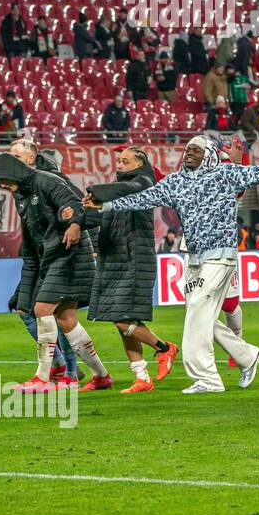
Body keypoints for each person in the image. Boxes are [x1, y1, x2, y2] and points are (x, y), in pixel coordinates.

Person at [82, 136, 259, 394]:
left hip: (221, 256)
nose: (189, 153)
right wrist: (106, 205)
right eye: (187, 149)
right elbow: (142, 199)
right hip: (194, 259)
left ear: (209, 154)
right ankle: (248, 356)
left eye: (196, 149)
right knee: (202, 316)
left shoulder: (226, 174)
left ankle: (208, 379)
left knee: (197, 312)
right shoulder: (175, 183)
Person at [0, 149, 106, 393]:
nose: (2, 185)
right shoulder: (21, 194)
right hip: (52, 257)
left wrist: (74, 225)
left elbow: (74, 203)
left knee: (42, 309)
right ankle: (101, 375)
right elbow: (31, 242)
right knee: (67, 321)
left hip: (70, 252)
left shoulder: (47, 180)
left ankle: (43, 377)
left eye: (2, 179)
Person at [69, 147, 179, 393]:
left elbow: (126, 190)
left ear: (139, 164)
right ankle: (142, 378)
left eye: (125, 161)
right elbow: (99, 218)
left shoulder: (144, 182)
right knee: (124, 319)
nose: (119, 164)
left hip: (133, 260)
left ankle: (164, 348)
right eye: (118, 160)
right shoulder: (115, 193)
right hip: (114, 261)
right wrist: (74, 217)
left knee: (120, 319)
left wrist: (95, 194)